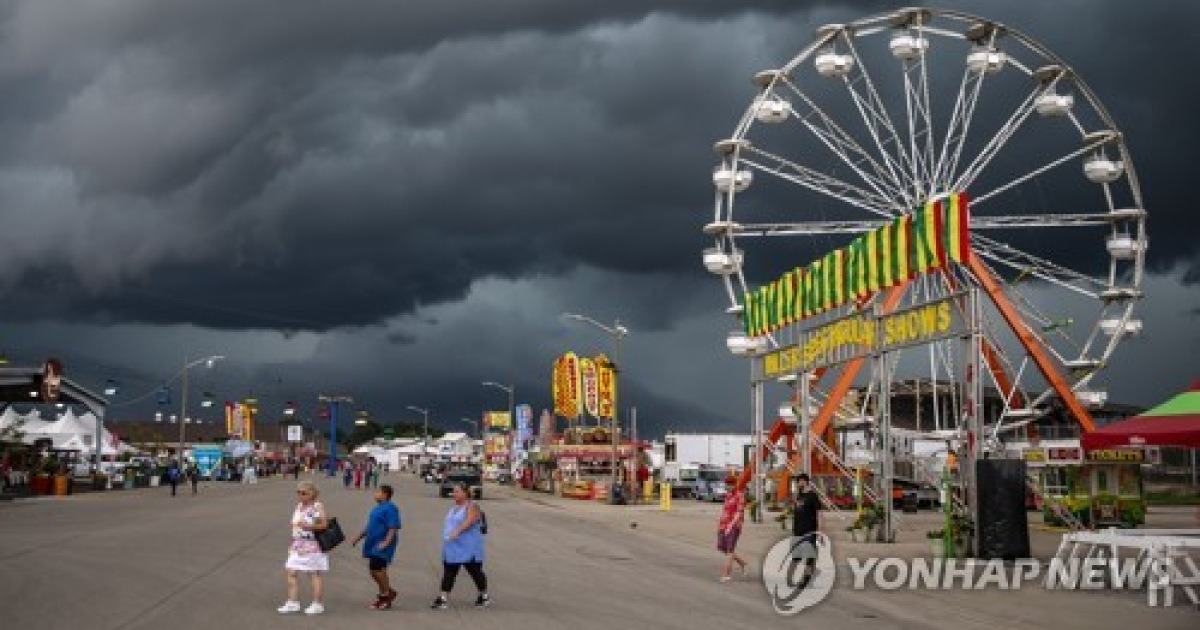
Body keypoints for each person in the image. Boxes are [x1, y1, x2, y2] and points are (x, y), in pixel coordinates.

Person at [431, 483, 490, 610]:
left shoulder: (472, 506)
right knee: (449, 571)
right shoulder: (454, 508)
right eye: (454, 491)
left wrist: (457, 531)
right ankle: (443, 598)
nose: (454, 494)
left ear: (465, 493)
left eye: (457, 491)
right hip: (453, 546)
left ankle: (483, 595)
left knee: (475, 572)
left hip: (469, 547)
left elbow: (470, 521)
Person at [278, 481, 329, 615]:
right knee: (291, 572)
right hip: (298, 543)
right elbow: (296, 525)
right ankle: (293, 602)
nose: (300, 495)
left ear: (312, 494)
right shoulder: (299, 506)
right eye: (298, 492)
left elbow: (324, 524)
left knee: (313, 574)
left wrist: (309, 526)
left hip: (312, 544)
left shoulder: (317, 506)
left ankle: (317, 604)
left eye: (304, 493)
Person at [351, 484, 401, 610]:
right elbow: (369, 526)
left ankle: (385, 595)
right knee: (380, 569)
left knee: (375, 568)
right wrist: (357, 537)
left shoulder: (391, 508)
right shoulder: (377, 508)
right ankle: (387, 592)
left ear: (385, 494)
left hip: (383, 543)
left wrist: (386, 542)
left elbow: (393, 527)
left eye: (378, 492)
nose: (375, 494)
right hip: (373, 542)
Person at [790, 473, 822, 589]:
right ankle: (807, 575)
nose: (798, 484)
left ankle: (806, 579)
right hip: (798, 530)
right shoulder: (798, 495)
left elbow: (819, 514)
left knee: (809, 556)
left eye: (799, 482)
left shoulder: (813, 496)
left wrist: (820, 531)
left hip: (809, 530)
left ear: (804, 481)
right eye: (797, 482)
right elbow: (797, 511)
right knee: (797, 556)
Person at [717, 487, 748, 582]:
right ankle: (742, 563)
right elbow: (725, 510)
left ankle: (727, 574)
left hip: (734, 526)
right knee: (722, 548)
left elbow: (739, 512)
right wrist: (720, 524)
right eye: (727, 484)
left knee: (730, 550)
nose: (728, 486)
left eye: (730, 484)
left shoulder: (740, 496)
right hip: (723, 525)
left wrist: (730, 526)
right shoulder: (728, 496)